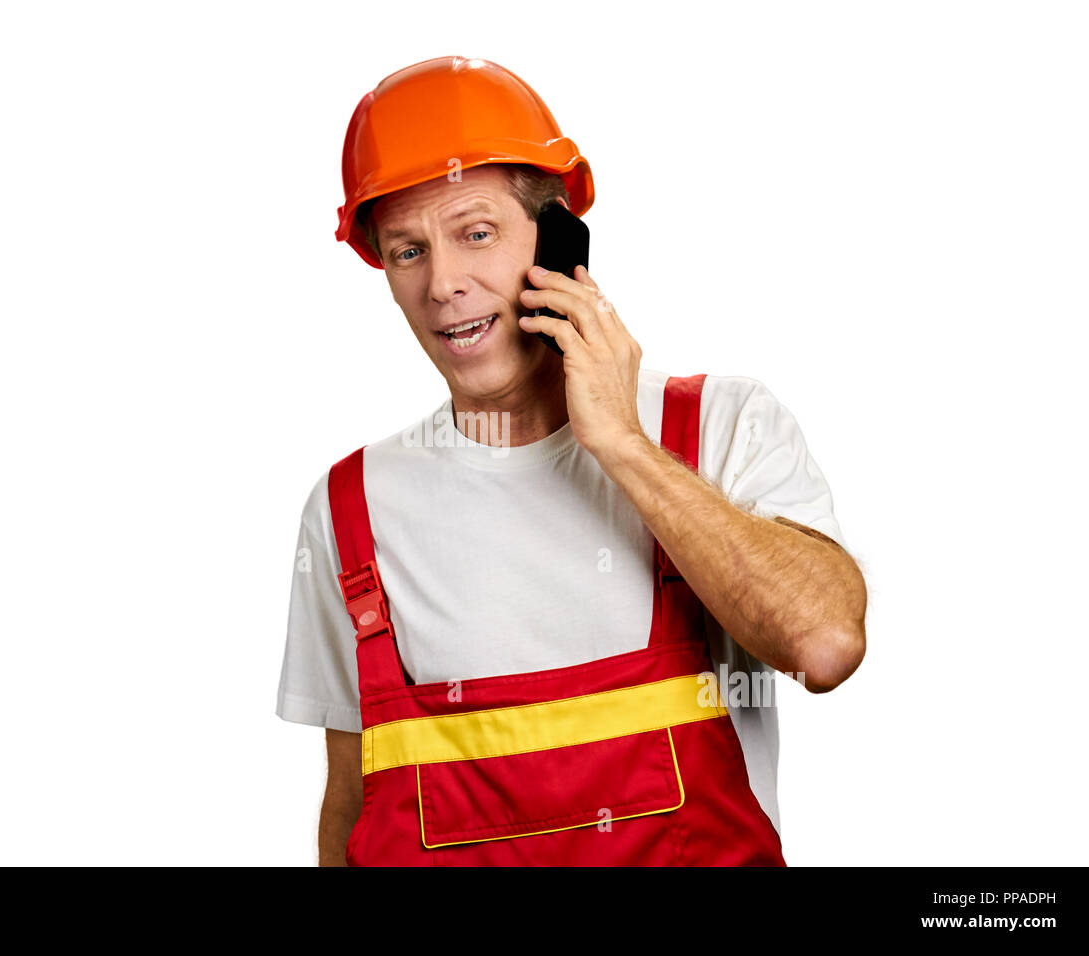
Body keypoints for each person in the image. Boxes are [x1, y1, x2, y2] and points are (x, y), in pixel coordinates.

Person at [275, 55, 867, 866]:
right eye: (408, 251)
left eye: (475, 233)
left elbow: (827, 644)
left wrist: (622, 443)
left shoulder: (720, 428)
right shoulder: (352, 511)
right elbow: (352, 809)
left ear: (557, 242)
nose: (444, 283)